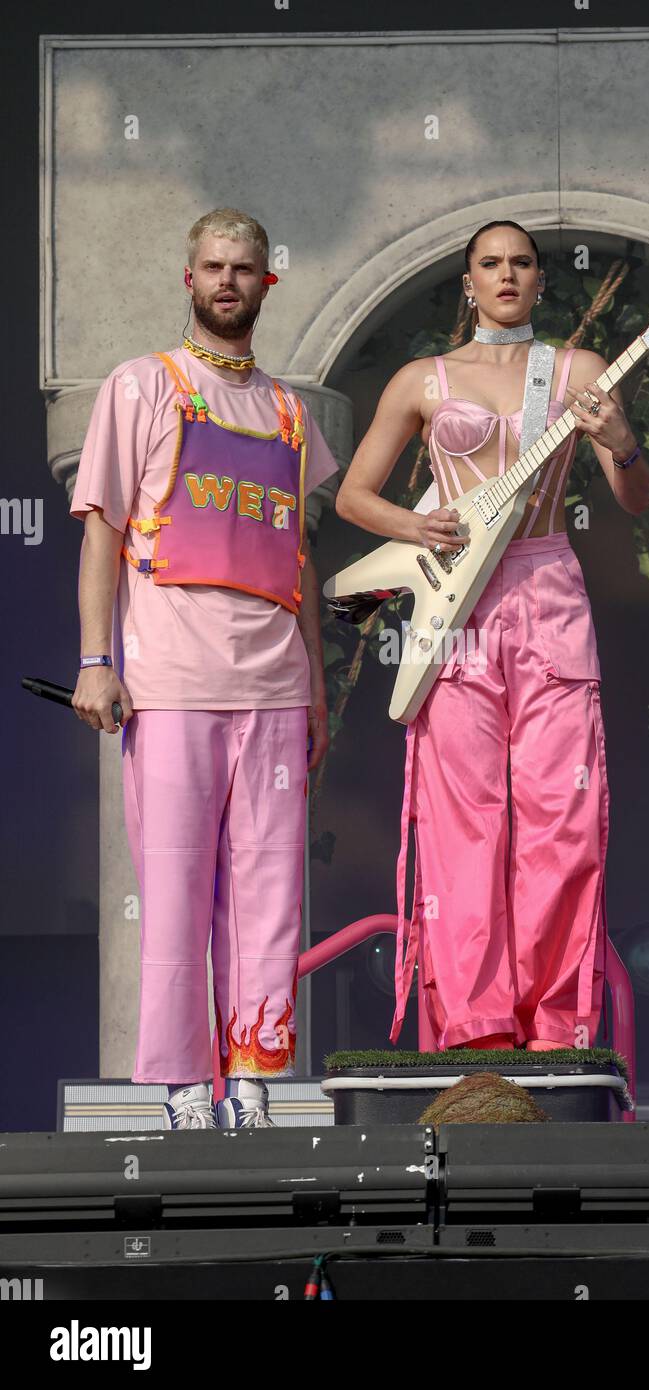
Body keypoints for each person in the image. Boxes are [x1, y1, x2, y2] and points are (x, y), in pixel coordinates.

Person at [335, 220, 649, 1053]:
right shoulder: (423, 380)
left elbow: (634, 501)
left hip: (546, 586)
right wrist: (419, 524)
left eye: (521, 264)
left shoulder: (578, 373)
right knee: (463, 818)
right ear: (466, 282)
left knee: (561, 815)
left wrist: (621, 444)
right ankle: (473, 1030)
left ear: (541, 282)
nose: (506, 276)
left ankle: (555, 1029)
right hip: (455, 603)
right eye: (489, 264)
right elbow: (353, 498)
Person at [70, 208, 338, 1128]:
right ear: (190, 279)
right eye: (214, 266)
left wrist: (317, 682)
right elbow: (103, 531)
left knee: (269, 895)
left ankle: (254, 1080)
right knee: (179, 891)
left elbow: (295, 552)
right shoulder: (141, 385)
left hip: (273, 685)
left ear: (270, 283)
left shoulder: (292, 410)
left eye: (246, 267)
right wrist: (95, 660)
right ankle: (186, 1087)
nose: (230, 280)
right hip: (171, 684)